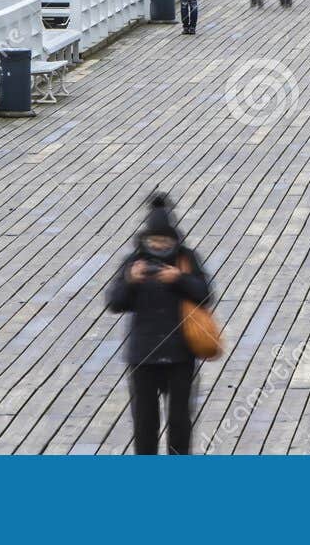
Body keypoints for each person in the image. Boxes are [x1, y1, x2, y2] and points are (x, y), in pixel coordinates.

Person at [106, 194, 214, 454]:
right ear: (144, 240)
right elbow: (115, 303)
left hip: (180, 357)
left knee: (179, 422)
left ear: (174, 240)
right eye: (153, 240)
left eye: (164, 241)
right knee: (144, 423)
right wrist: (131, 281)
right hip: (143, 358)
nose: (158, 246)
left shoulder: (187, 259)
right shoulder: (133, 262)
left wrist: (179, 279)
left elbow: (206, 296)